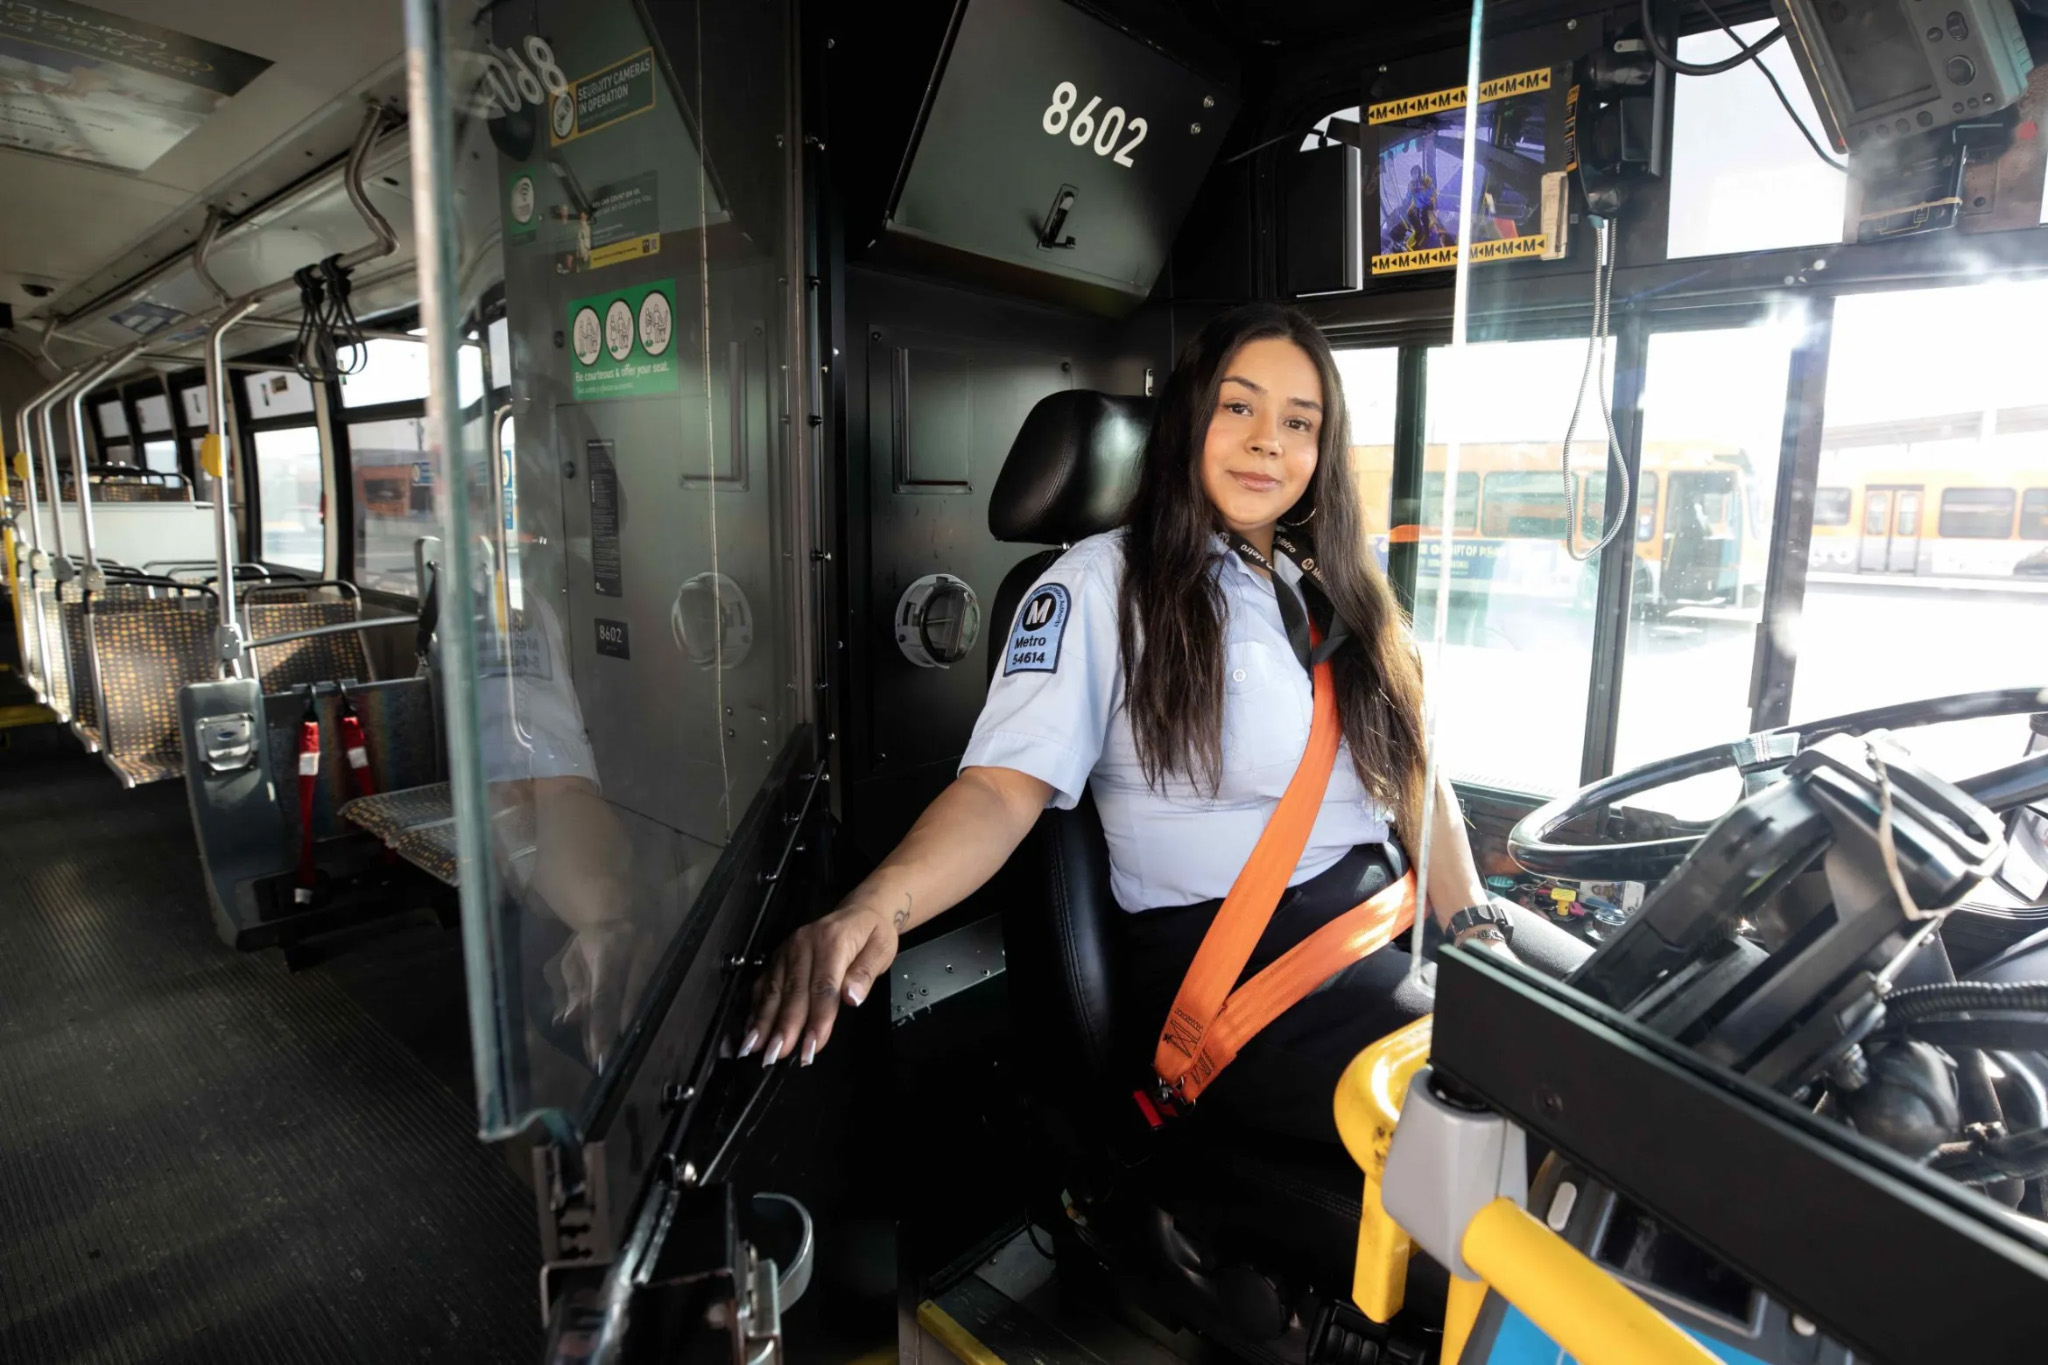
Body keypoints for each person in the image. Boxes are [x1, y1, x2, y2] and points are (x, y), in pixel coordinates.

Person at [743, 303, 1544, 1144]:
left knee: (1639, 1031)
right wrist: (875, 907)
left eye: (1298, 421)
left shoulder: (1336, 586)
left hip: (1396, 917)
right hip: (1246, 975)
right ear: (1190, 416)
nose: (1269, 439)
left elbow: (1420, 776)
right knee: (1555, 1106)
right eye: (1239, 407)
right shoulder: (1102, 587)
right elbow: (999, 793)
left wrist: (1477, 930)